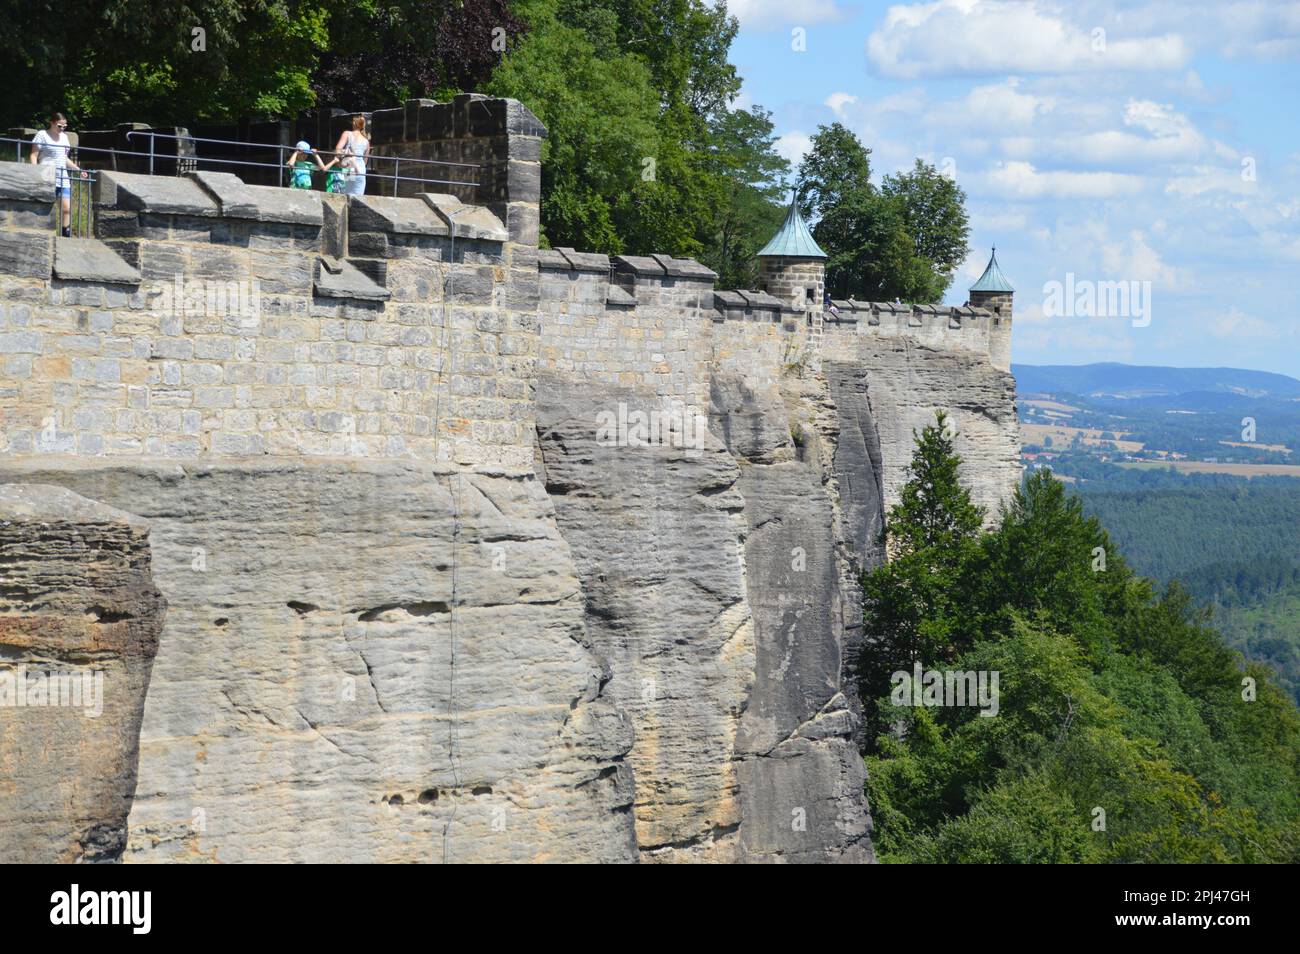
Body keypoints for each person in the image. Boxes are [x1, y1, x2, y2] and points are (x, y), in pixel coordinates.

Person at [29, 112, 88, 237]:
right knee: (46, 207)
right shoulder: (42, 134)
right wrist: (34, 171)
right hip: (47, 173)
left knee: (66, 208)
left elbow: (64, 158)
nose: (62, 129)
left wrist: (78, 170)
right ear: (52, 122)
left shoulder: (64, 137)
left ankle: (65, 234)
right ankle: (42, 234)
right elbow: (34, 155)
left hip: (62, 175)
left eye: (64, 126)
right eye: (59, 126)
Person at [333, 115, 370, 196]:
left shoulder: (347, 133)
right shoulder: (366, 141)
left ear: (354, 123)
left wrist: (344, 153)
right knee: (358, 198)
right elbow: (365, 161)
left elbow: (337, 150)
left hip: (350, 168)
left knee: (347, 196)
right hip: (361, 171)